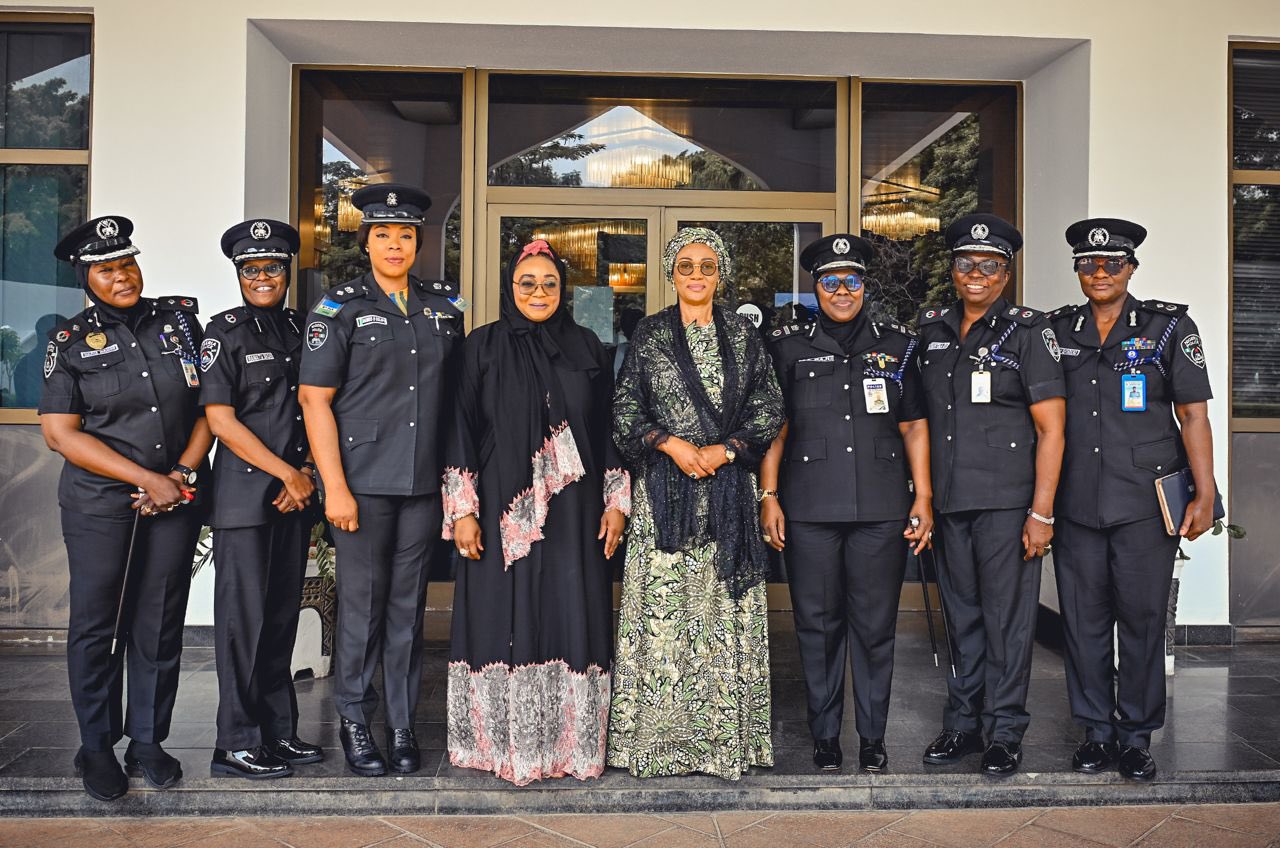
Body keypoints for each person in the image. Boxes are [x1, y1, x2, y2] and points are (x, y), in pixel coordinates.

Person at [443, 239, 629, 785]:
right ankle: (500, 744)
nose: (539, 292)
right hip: (502, 504)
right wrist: (463, 512)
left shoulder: (590, 347)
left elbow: (610, 431)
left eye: (550, 283)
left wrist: (617, 502)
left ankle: (571, 747)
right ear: (510, 287)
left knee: (572, 607)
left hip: (575, 506)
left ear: (563, 290)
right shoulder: (480, 347)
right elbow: (459, 430)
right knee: (502, 612)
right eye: (528, 283)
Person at [40, 216, 212, 801]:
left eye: (128, 264)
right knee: (96, 626)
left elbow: (208, 408)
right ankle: (96, 746)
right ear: (87, 278)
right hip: (100, 506)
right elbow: (61, 434)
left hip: (174, 497)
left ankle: (147, 741)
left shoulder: (179, 321)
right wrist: (146, 478)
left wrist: (181, 474)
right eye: (107, 269)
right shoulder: (68, 342)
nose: (122, 277)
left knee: (159, 622)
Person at [299, 184, 464, 777]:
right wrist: (333, 488)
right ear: (365, 240)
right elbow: (315, 401)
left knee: (406, 610)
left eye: (405, 235)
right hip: (362, 485)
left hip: (421, 483)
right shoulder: (337, 309)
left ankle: (399, 723)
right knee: (362, 610)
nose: (394, 244)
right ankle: (353, 719)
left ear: (418, 242)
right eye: (383, 234)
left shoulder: (445, 306)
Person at [608, 227, 784, 780]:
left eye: (707, 266)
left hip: (729, 494)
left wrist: (726, 450)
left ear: (721, 273)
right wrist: (672, 444)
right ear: (671, 273)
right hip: (665, 496)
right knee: (666, 621)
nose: (696, 276)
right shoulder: (650, 335)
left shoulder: (744, 335)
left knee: (723, 618)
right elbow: (623, 411)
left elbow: (769, 407)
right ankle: (658, 745)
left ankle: (723, 744)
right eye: (686, 266)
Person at [1049, 218, 1216, 782]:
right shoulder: (1055, 331)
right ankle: (1095, 732)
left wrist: (1206, 492)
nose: (1099, 272)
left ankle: (1137, 735)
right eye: (1088, 264)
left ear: (1131, 268)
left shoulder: (1168, 327)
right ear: (1077, 271)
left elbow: (1193, 414)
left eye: (1112, 263)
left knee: (1141, 621)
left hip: (1145, 503)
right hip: (1075, 500)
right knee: (1083, 620)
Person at [759, 234, 933, 773]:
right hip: (809, 509)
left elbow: (914, 427)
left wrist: (923, 496)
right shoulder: (787, 345)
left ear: (864, 285)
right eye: (830, 281)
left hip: (881, 510)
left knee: (875, 626)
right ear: (816, 287)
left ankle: (874, 739)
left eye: (851, 280)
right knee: (817, 625)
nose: (841, 290)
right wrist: (769, 496)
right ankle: (826, 738)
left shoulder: (899, 344)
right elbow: (776, 431)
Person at [915, 213, 1066, 777]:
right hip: (952, 501)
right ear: (953, 269)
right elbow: (921, 420)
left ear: (1006, 273)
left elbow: (1052, 429)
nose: (977, 274)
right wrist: (924, 497)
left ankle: (1004, 732)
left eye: (991, 266)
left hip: (1008, 505)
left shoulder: (1030, 332)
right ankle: (963, 724)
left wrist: (1041, 512)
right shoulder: (930, 331)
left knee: (1007, 621)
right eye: (966, 264)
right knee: (963, 619)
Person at [200, 219, 323, 779]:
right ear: (238, 274)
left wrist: (304, 475)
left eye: (272, 266)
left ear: (287, 271)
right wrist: (286, 474)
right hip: (246, 500)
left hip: (293, 496)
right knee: (241, 625)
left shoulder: (303, 328)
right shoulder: (222, 333)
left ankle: (278, 731)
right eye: (250, 269)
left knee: (279, 621)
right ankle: (235, 741)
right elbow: (221, 421)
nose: (262, 277)